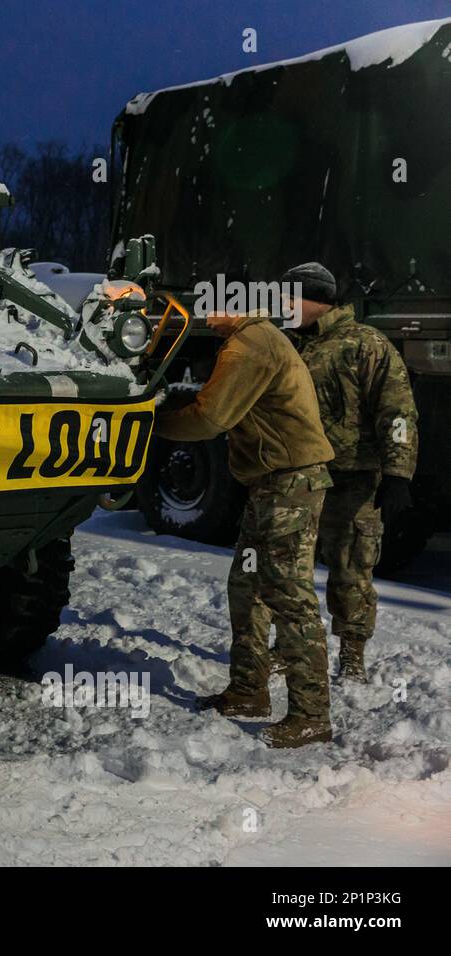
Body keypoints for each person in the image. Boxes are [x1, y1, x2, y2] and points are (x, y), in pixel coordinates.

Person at [155, 306, 336, 747]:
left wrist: (148, 424)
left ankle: (312, 714)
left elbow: (210, 419)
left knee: (288, 595)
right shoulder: (252, 340)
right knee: (248, 587)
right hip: (271, 484)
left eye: (210, 303)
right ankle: (248, 692)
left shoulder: (249, 344)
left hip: (289, 484)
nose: (203, 313)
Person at [280, 263, 419, 682]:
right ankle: (288, 648)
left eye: (289, 299)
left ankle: (353, 655)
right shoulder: (288, 345)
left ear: (314, 299)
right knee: (287, 570)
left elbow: (397, 411)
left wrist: (398, 473)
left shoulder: (366, 344)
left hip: (354, 479)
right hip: (299, 476)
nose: (282, 307)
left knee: (351, 569)